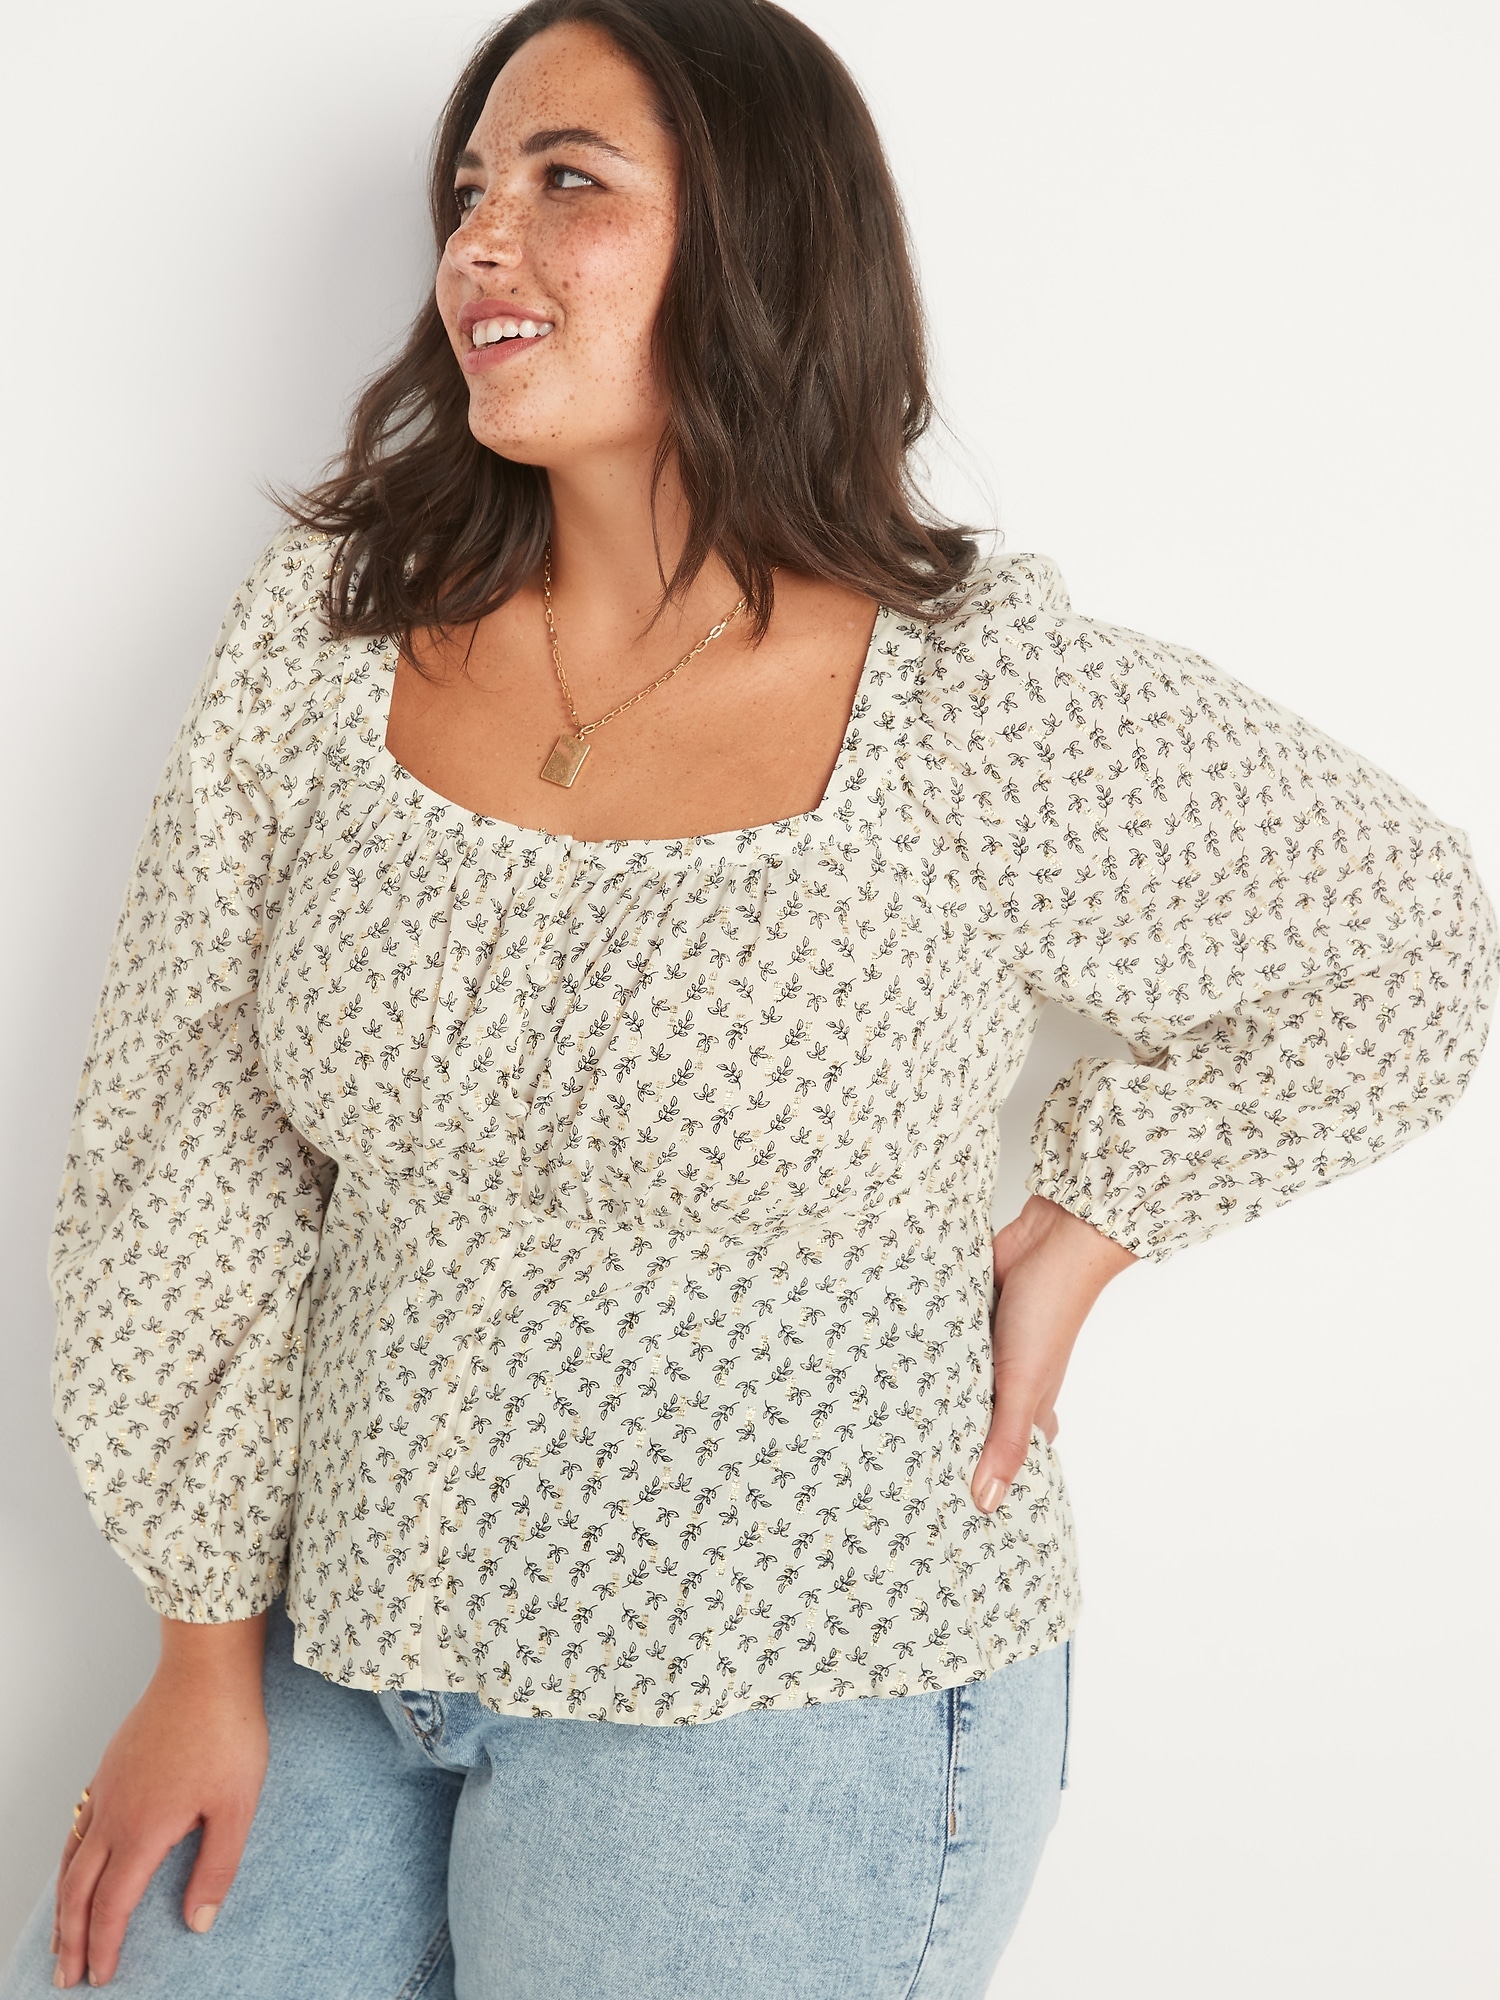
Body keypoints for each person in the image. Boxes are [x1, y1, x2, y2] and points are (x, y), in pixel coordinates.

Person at [7, 0, 1494, 1994]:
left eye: (568, 182)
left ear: (761, 243)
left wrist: (1088, 1227)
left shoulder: (971, 699)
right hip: (337, 1644)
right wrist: (199, 1645)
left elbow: (1413, 935)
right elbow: (193, 1125)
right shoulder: (329, 634)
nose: (480, 243)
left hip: (799, 1692)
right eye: (471, 188)